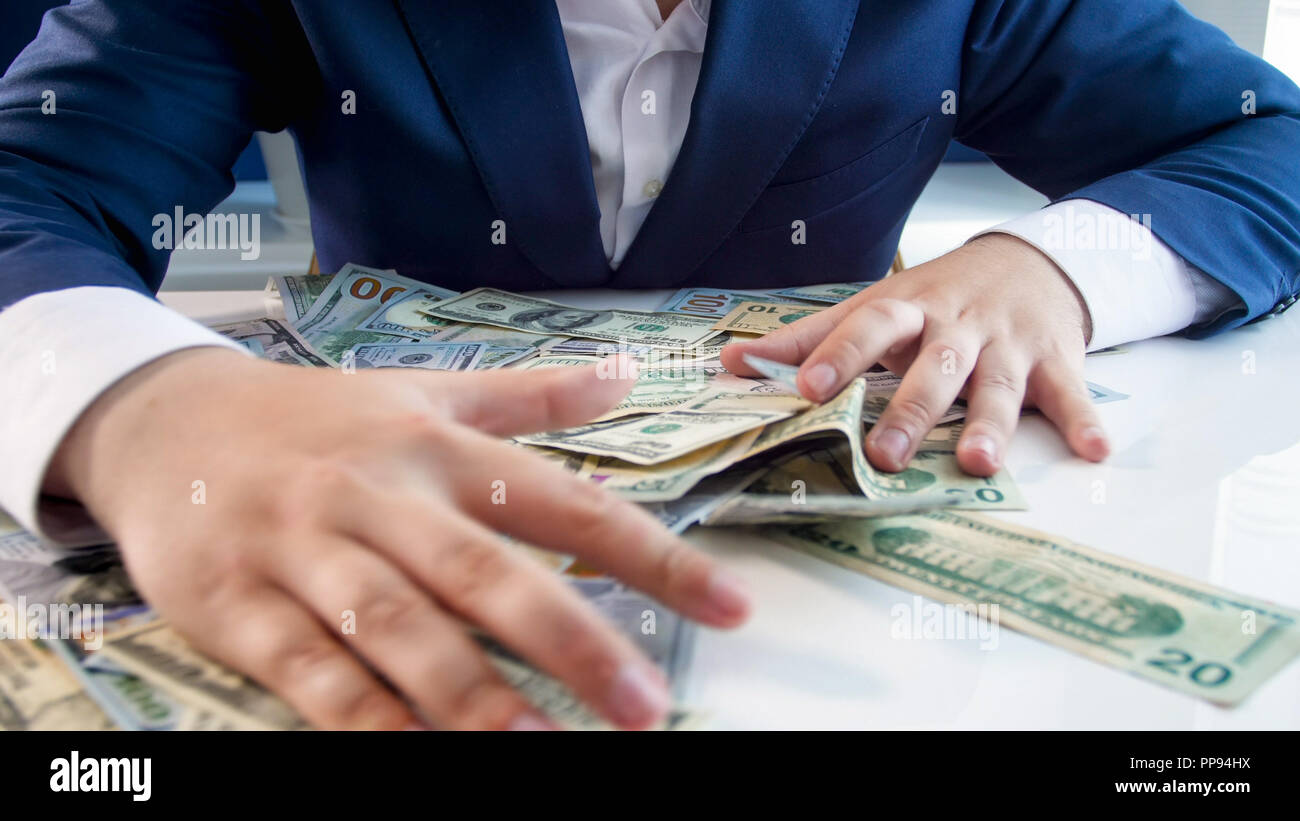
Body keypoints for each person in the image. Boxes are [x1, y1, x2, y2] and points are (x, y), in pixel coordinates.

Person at [0, 0, 1297, 731]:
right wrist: (136, 403)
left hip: (835, 600)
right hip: (390, 534)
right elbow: (25, 189)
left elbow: (1269, 144)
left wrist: (1054, 267)